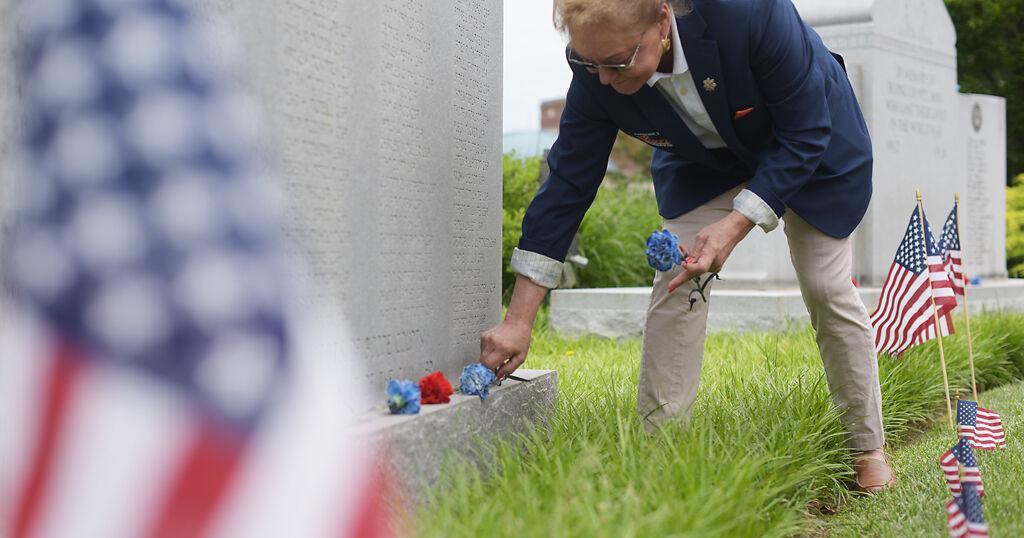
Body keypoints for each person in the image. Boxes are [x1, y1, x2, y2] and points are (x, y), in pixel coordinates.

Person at [479, 0, 895, 492]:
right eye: (591, 63)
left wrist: (737, 222)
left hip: (811, 140)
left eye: (617, 62)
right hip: (702, 160)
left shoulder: (752, 13)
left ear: (661, 20)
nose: (604, 80)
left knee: (825, 285)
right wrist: (518, 320)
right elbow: (568, 183)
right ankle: (661, 454)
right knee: (677, 281)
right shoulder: (596, 64)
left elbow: (805, 131)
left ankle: (866, 447)